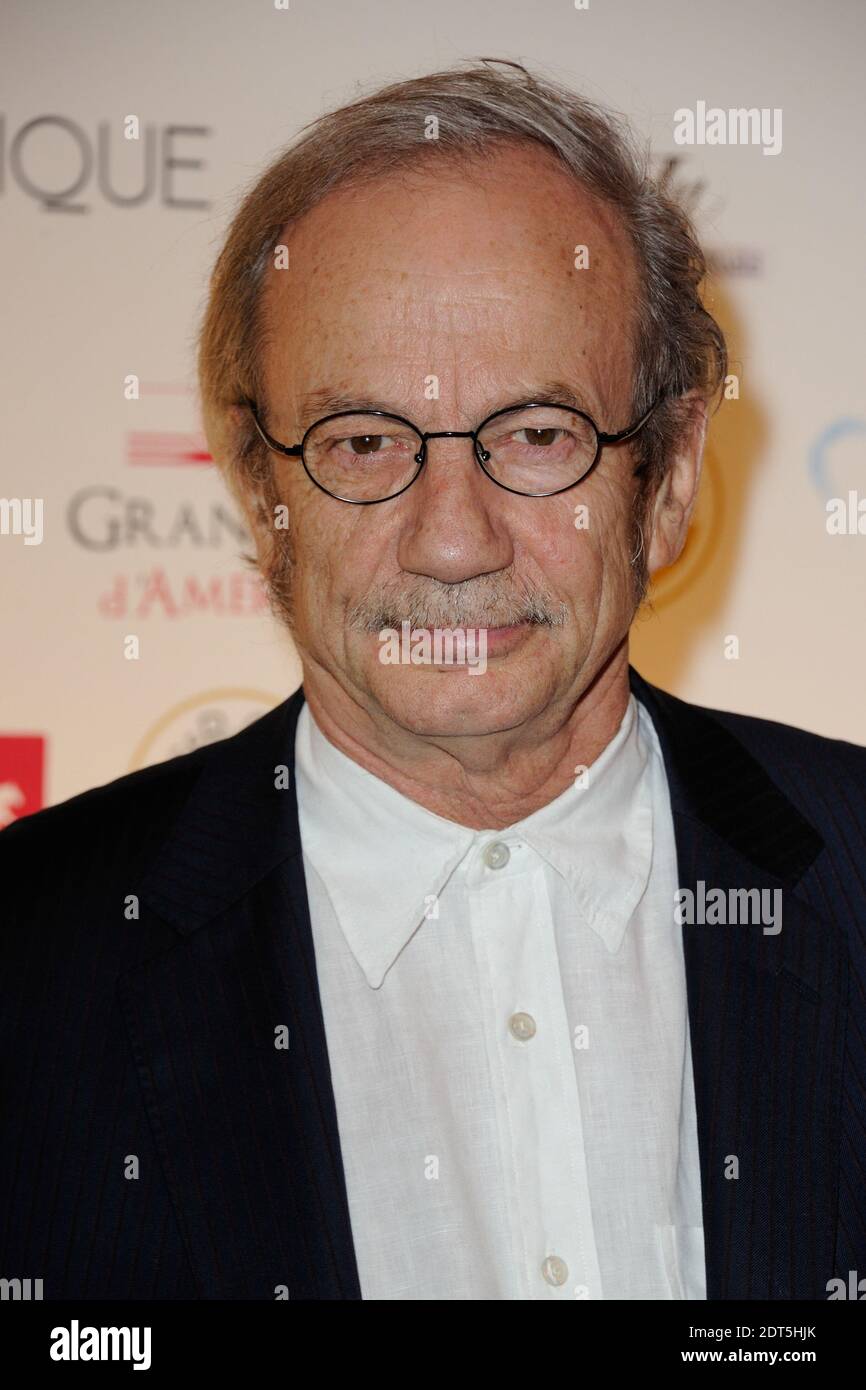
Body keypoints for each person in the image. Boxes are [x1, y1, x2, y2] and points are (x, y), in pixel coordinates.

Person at [2, 59, 864, 1302]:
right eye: (361, 442)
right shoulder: (30, 967)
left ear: (667, 479)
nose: (450, 538)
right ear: (262, 493)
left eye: (534, 433)